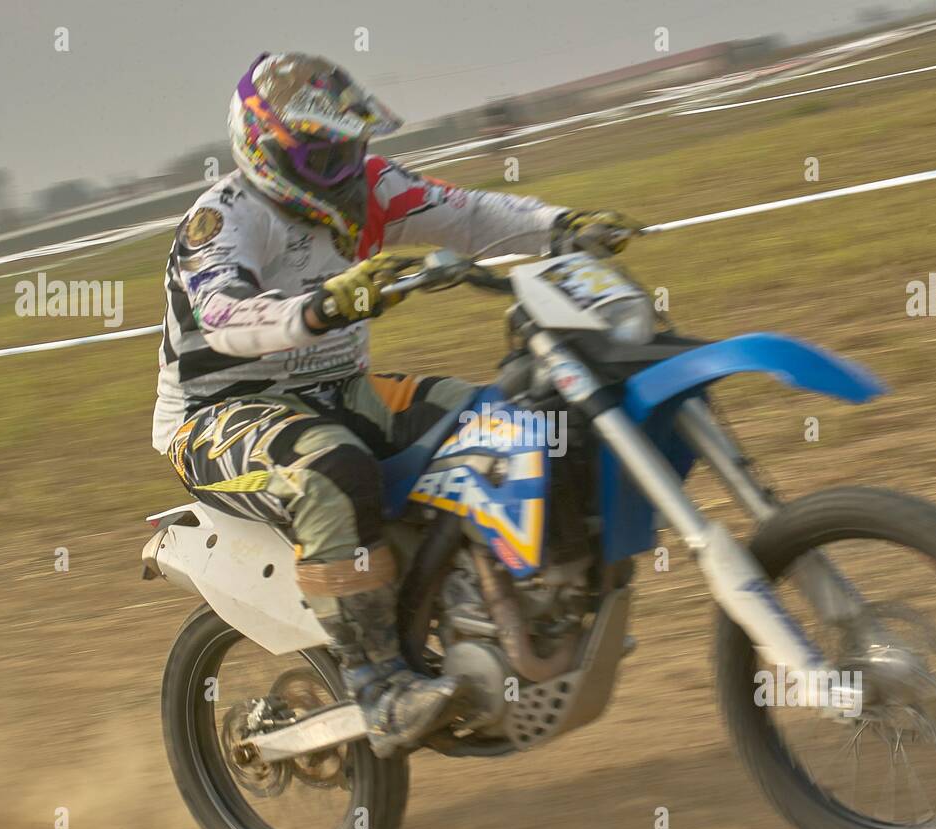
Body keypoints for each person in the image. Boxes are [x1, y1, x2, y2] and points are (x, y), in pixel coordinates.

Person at [153, 52, 639, 756]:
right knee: (332, 471)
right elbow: (225, 318)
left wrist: (565, 226)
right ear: (267, 150)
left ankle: (525, 605)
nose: (344, 166)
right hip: (220, 413)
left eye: (350, 147)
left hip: (339, 390)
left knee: (507, 421)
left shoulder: (374, 189)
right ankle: (377, 684)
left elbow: (471, 216)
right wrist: (318, 307)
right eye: (324, 154)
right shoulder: (223, 219)